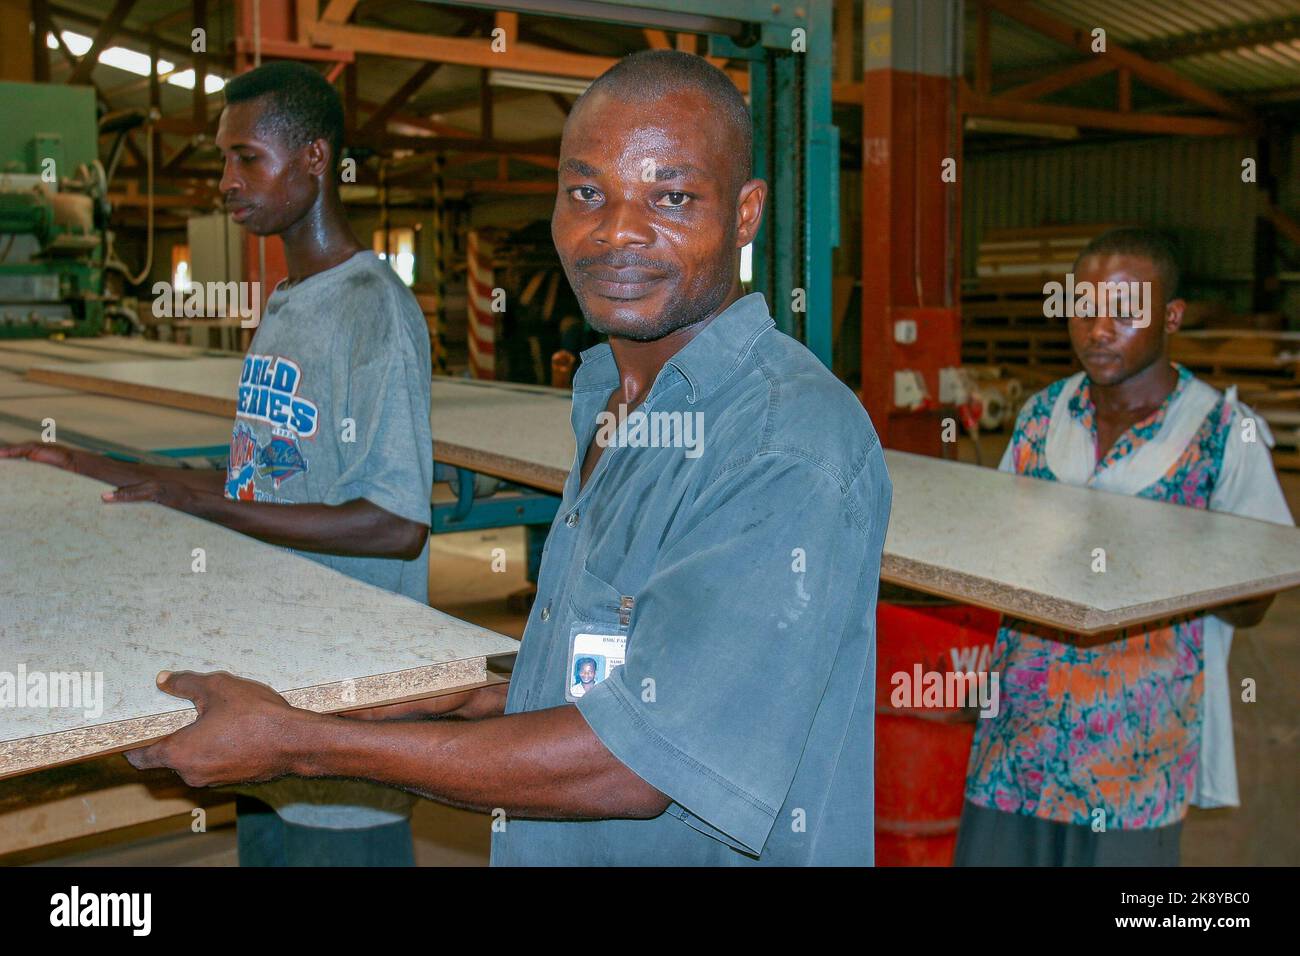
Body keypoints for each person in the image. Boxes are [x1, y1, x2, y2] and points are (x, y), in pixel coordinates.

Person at [124, 50, 893, 866]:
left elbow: (632, 765)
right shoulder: (611, 398)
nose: (617, 231)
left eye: (671, 197)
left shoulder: (785, 444)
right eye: (587, 193)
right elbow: (637, 666)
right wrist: (502, 698)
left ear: (745, 214)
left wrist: (301, 744)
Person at [3, 60, 434, 867]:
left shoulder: (372, 310)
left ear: (313, 157)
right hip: (274, 690)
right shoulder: (285, 304)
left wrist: (198, 507)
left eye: (247, 159)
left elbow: (395, 524)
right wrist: (76, 461)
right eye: (222, 161)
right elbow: (257, 486)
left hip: (348, 705)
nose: (226, 182)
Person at [955, 227, 1294, 866]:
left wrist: (1167, 551)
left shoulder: (1224, 434)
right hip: (1018, 744)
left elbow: (1255, 602)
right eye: (1084, 307)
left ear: (1171, 317)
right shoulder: (1042, 417)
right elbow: (993, 552)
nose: (1098, 329)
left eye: (1126, 311)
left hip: (1135, 756)